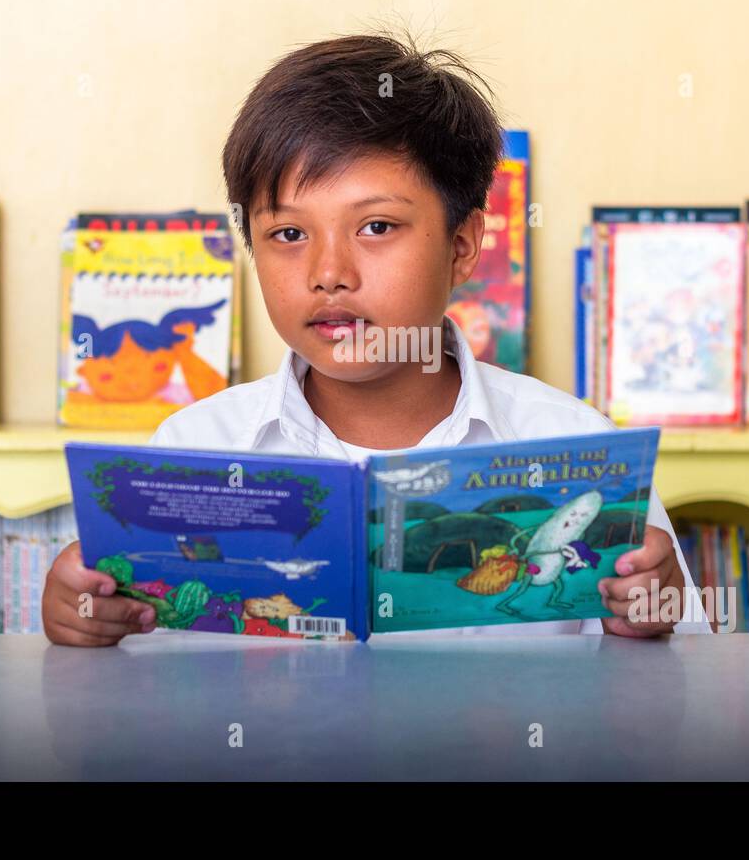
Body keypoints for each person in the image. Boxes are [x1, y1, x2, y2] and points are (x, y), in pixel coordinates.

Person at [43, 32, 711, 645]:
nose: (328, 274)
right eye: (288, 235)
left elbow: (677, 698)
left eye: (377, 228)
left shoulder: (583, 449)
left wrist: (650, 618)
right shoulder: (190, 451)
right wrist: (85, 617)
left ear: (462, 244)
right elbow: (129, 701)